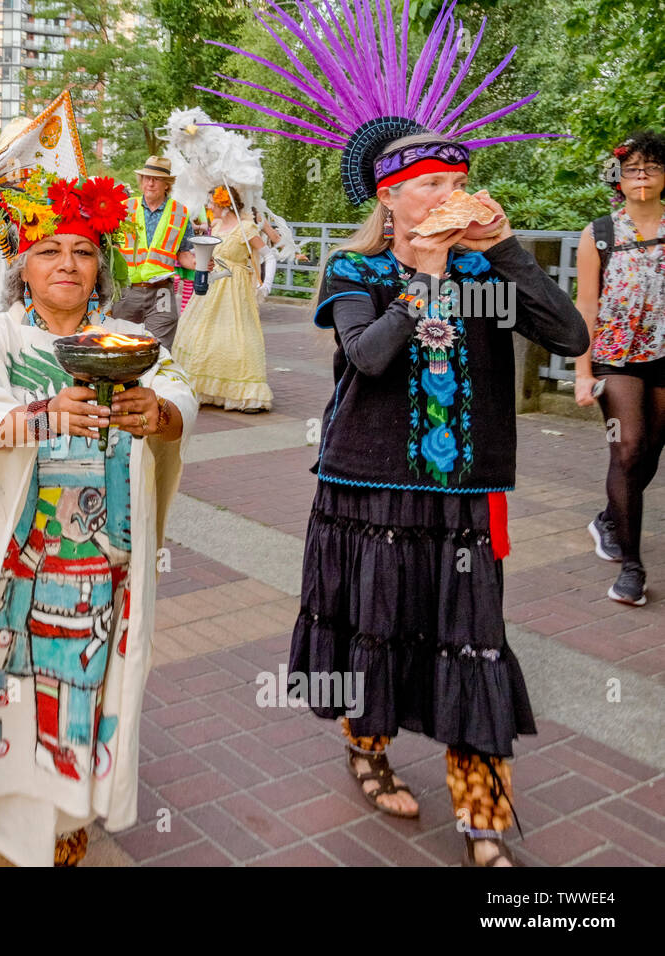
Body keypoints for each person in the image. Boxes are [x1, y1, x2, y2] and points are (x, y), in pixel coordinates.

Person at [209, 0, 589, 866]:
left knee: (471, 634)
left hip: (463, 492)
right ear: (392, 196)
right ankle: (366, 744)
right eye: (431, 185)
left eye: (458, 183)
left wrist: (509, 251)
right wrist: (417, 276)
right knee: (371, 621)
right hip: (369, 483)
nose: (449, 196)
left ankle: (484, 821)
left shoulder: (489, 266)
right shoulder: (358, 269)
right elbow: (369, 360)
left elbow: (570, 338)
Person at [0, 172, 199, 867]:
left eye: (83, 251)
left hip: (102, 557)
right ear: (23, 268)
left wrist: (158, 412)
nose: (66, 263)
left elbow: (180, 389)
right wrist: (41, 414)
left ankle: (66, 816)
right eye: (49, 250)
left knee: (80, 686)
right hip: (12, 557)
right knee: (1, 677)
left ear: (101, 269)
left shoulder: (128, 338)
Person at [575, 130, 665, 607]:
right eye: (633, 168)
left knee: (650, 452)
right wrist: (582, 371)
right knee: (628, 448)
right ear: (619, 178)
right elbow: (585, 307)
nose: (642, 175)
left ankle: (610, 517)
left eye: (652, 166)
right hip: (615, 354)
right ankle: (632, 568)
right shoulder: (601, 234)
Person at [172, 185, 274, 412]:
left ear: (223, 205)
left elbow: (269, 255)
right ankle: (207, 388)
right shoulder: (216, 226)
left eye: (211, 203)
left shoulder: (246, 228)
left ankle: (243, 393)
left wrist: (266, 285)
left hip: (236, 287)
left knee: (238, 335)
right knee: (204, 334)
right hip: (213, 282)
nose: (208, 207)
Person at [113, 156, 197, 350]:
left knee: (159, 351)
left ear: (167, 184)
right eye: (146, 178)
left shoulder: (180, 213)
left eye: (157, 179)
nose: (150, 183)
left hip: (161, 292)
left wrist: (199, 263)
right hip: (127, 291)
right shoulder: (124, 208)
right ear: (141, 181)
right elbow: (113, 248)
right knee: (120, 349)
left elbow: (183, 254)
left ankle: (154, 381)